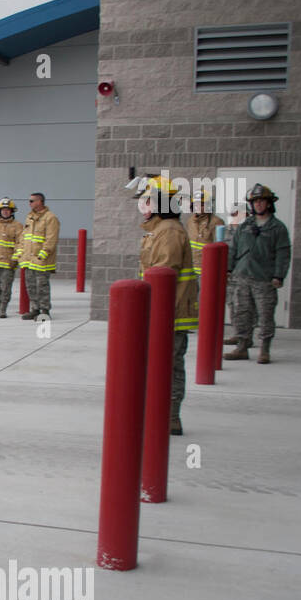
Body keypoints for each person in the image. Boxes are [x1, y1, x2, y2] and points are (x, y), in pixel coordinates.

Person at [133, 176, 198, 435]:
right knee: (158, 364)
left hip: (169, 313)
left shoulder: (169, 230)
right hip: (159, 311)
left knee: (169, 365)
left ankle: (171, 416)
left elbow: (162, 273)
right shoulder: (159, 229)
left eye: (148, 200)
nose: (143, 206)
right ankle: (158, 411)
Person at [224, 183, 291, 364]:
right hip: (242, 276)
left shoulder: (278, 228)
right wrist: (229, 269)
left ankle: (264, 349)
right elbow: (233, 248)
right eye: (255, 202)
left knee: (265, 314)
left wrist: (279, 275)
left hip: (264, 279)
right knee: (241, 313)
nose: (259, 205)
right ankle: (242, 346)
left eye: (262, 201)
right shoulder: (245, 225)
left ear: (269, 203)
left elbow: (283, 253)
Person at [18, 192, 59, 319]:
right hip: (29, 260)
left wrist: (43, 254)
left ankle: (45, 310)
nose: (29, 203)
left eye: (32, 201)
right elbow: (24, 237)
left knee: (42, 286)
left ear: (40, 202)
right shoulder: (29, 217)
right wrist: (20, 252)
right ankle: (35, 309)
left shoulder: (50, 218)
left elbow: (51, 238)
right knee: (31, 286)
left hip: (42, 260)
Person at [186, 188, 225, 277]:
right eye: (196, 204)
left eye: (202, 204)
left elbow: (219, 249)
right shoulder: (190, 221)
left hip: (207, 271)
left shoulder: (217, 222)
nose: (199, 207)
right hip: (191, 270)